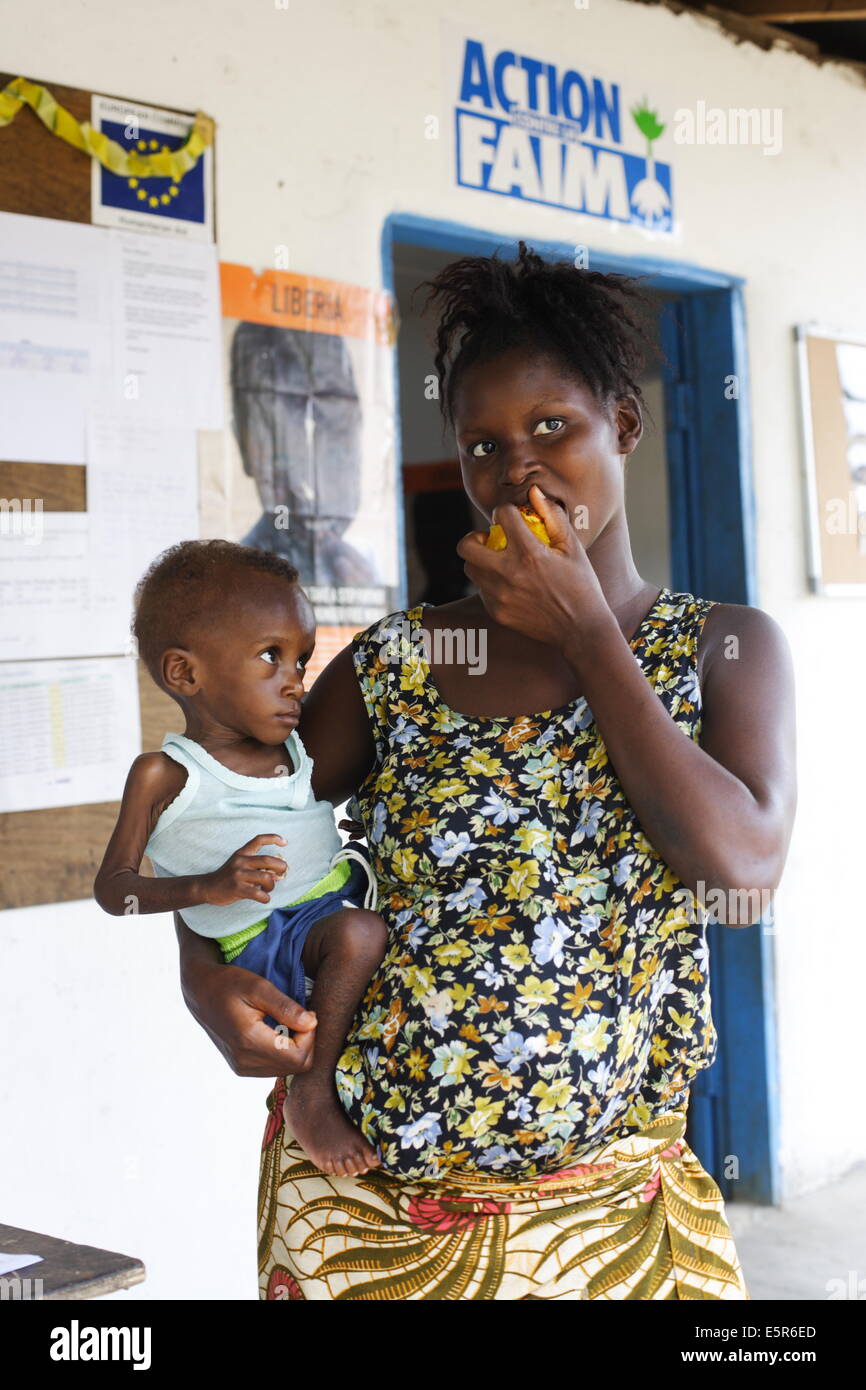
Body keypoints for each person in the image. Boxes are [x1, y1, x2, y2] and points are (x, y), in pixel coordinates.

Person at [176, 244, 797, 1300]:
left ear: (624, 426)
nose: (517, 468)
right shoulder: (398, 661)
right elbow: (229, 821)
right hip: (362, 1212)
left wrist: (592, 637)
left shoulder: (720, 649)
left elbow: (737, 869)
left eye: (551, 426)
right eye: (481, 445)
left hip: (609, 1230)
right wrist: (202, 979)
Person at [94, 539, 388, 1177]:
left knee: (367, 928)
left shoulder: (293, 751)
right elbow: (115, 890)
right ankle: (311, 1096)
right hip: (268, 936)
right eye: (269, 657)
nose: (295, 681)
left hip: (330, 901)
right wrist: (207, 887)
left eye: (302, 660)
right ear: (186, 674)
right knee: (361, 936)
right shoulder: (165, 775)